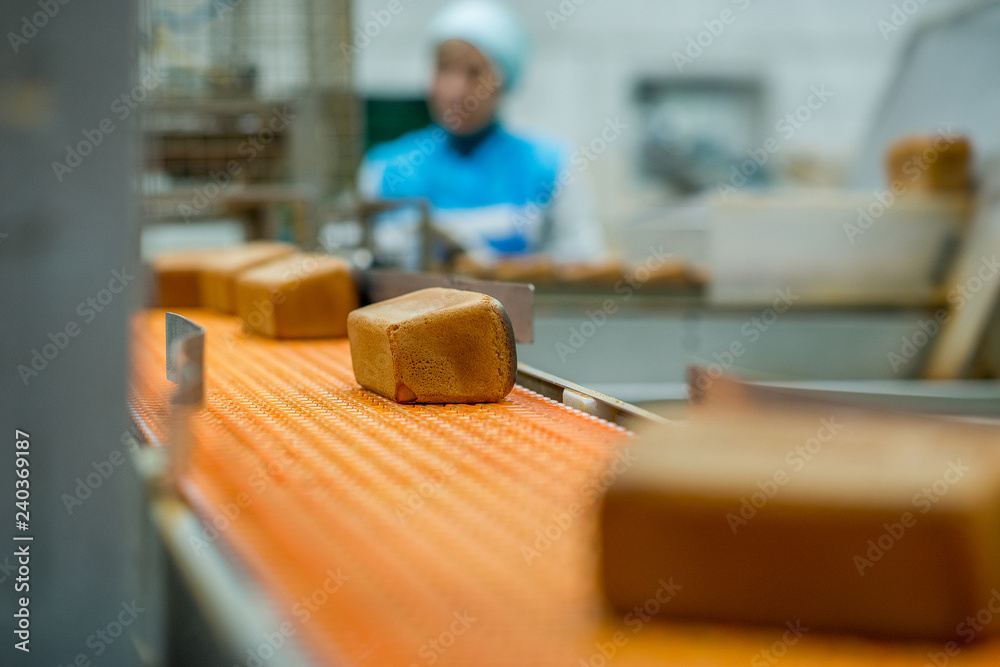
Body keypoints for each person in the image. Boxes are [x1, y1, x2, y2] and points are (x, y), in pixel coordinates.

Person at [358, 0, 606, 271]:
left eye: (474, 73)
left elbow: (583, 273)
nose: (455, 89)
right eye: (445, 69)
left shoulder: (550, 168)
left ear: (503, 81)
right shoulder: (385, 171)